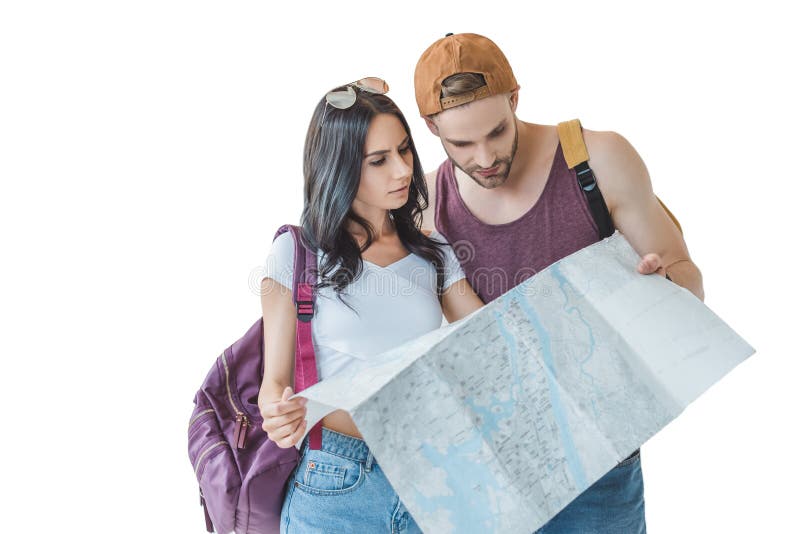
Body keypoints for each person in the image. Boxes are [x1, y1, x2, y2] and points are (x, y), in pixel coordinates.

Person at [414, 33, 705, 533]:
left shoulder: (597, 158)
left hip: (602, 465)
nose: (484, 157)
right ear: (431, 127)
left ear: (516, 99)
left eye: (497, 132)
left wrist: (660, 285)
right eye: (461, 143)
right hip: (495, 470)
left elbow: (689, 281)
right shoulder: (427, 209)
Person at [257, 78, 484, 534]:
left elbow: (492, 339)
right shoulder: (296, 254)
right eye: (378, 160)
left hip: (430, 477)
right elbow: (274, 384)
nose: (402, 170)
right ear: (338, 166)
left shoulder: (433, 254)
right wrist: (278, 413)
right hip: (335, 483)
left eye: (404, 151)